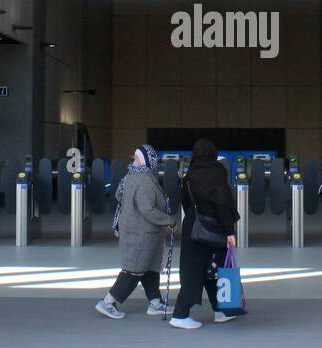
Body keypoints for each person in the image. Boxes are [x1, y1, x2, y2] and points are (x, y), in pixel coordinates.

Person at [95, 144, 178, 319]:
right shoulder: (144, 180)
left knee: (149, 268)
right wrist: (169, 220)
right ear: (150, 160)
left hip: (138, 231)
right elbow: (148, 209)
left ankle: (155, 302)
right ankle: (108, 301)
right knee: (134, 270)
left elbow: (119, 195)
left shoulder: (130, 176)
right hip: (141, 233)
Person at [170, 138, 239, 330]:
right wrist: (229, 231)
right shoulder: (217, 174)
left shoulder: (190, 175)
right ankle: (180, 314)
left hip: (193, 226)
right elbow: (223, 205)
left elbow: (184, 201)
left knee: (205, 270)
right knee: (204, 270)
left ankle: (221, 310)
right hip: (213, 228)